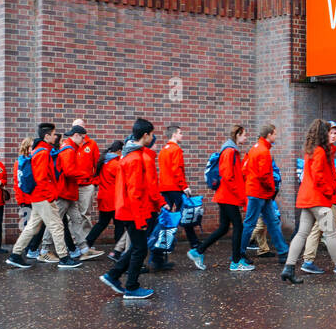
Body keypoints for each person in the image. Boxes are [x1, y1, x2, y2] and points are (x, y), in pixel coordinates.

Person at [280, 119, 336, 284]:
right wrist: (330, 191)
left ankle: (289, 268)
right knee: (330, 233)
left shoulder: (311, 149)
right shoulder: (320, 151)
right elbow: (319, 177)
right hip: (319, 199)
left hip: (307, 199)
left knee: (302, 234)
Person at [98, 118, 164, 299]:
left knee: (136, 246)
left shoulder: (128, 155)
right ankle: (132, 287)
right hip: (133, 211)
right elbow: (135, 192)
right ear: (145, 135)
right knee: (140, 249)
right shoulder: (135, 159)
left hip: (128, 210)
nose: (152, 138)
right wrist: (140, 218)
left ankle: (113, 275)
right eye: (151, 134)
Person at [6, 124, 81, 269]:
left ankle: (15, 255)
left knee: (32, 227)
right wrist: (50, 195)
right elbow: (41, 178)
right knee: (57, 226)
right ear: (46, 136)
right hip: (43, 196)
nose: (55, 137)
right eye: (53, 134)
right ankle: (64, 258)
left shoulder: (39, 151)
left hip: (38, 196)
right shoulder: (43, 152)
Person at [188, 125, 249, 272]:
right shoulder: (231, 152)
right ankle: (235, 262)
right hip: (229, 196)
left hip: (224, 195)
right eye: (244, 135)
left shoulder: (228, 150)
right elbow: (229, 177)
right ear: (238, 134)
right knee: (238, 227)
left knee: (223, 228)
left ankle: (198, 251)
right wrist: (241, 196)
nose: (246, 138)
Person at [52, 125, 103, 261]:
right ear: (76, 135)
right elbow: (69, 172)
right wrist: (85, 174)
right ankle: (44, 249)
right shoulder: (69, 149)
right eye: (82, 136)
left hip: (70, 191)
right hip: (65, 191)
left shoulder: (70, 147)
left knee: (76, 219)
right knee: (56, 221)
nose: (83, 139)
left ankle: (84, 249)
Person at [239, 123, 289, 259]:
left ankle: (283, 251)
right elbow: (264, 176)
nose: (276, 136)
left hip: (258, 192)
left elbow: (244, 170)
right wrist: (272, 188)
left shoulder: (254, 149)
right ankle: (240, 253)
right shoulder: (264, 151)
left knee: (269, 222)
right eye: (275, 133)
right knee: (252, 223)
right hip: (260, 193)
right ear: (269, 135)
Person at [158, 124, 201, 253]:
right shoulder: (176, 150)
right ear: (174, 135)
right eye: (180, 133)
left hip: (164, 187)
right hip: (175, 187)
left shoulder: (163, 150)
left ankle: (163, 245)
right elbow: (177, 170)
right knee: (186, 215)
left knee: (166, 216)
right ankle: (194, 243)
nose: (182, 135)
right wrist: (184, 186)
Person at [85, 140, 125, 253]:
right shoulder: (115, 164)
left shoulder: (105, 161)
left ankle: (87, 243)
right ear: (119, 151)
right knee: (119, 224)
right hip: (113, 199)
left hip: (104, 197)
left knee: (102, 223)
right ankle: (119, 249)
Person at [69, 118, 101, 243]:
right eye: (75, 127)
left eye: (80, 127)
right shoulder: (68, 144)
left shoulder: (91, 144)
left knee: (85, 214)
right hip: (72, 185)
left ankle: (86, 241)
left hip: (87, 185)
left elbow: (97, 164)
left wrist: (95, 181)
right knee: (71, 215)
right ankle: (73, 241)